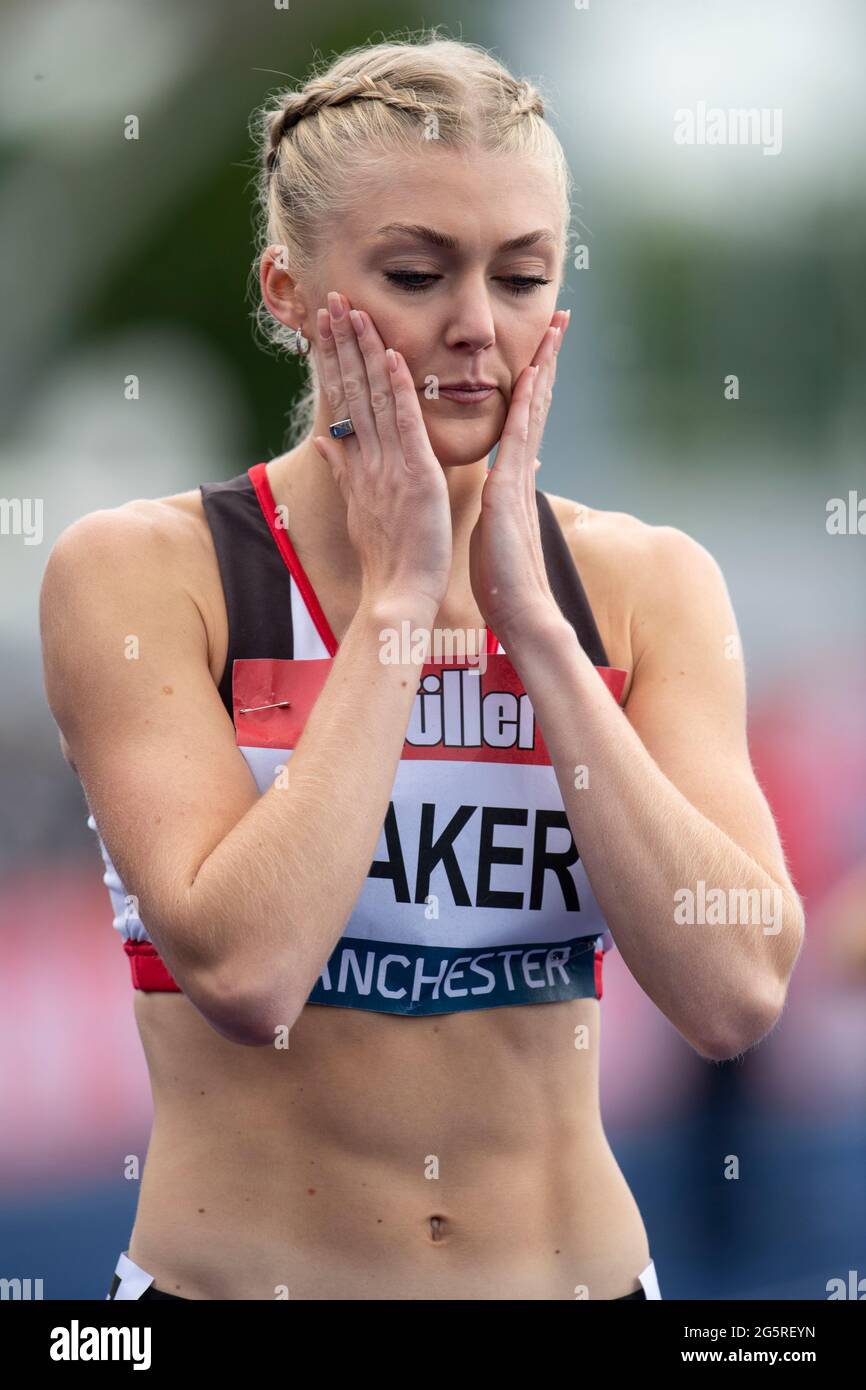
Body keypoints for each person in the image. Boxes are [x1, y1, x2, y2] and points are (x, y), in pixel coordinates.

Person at [39, 31, 804, 1302]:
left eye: (520, 277)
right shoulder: (144, 571)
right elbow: (245, 970)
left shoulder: (639, 585)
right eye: (413, 272)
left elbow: (734, 993)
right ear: (285, 290)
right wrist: (398, 601)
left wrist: (540, 635)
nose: (472, 328)